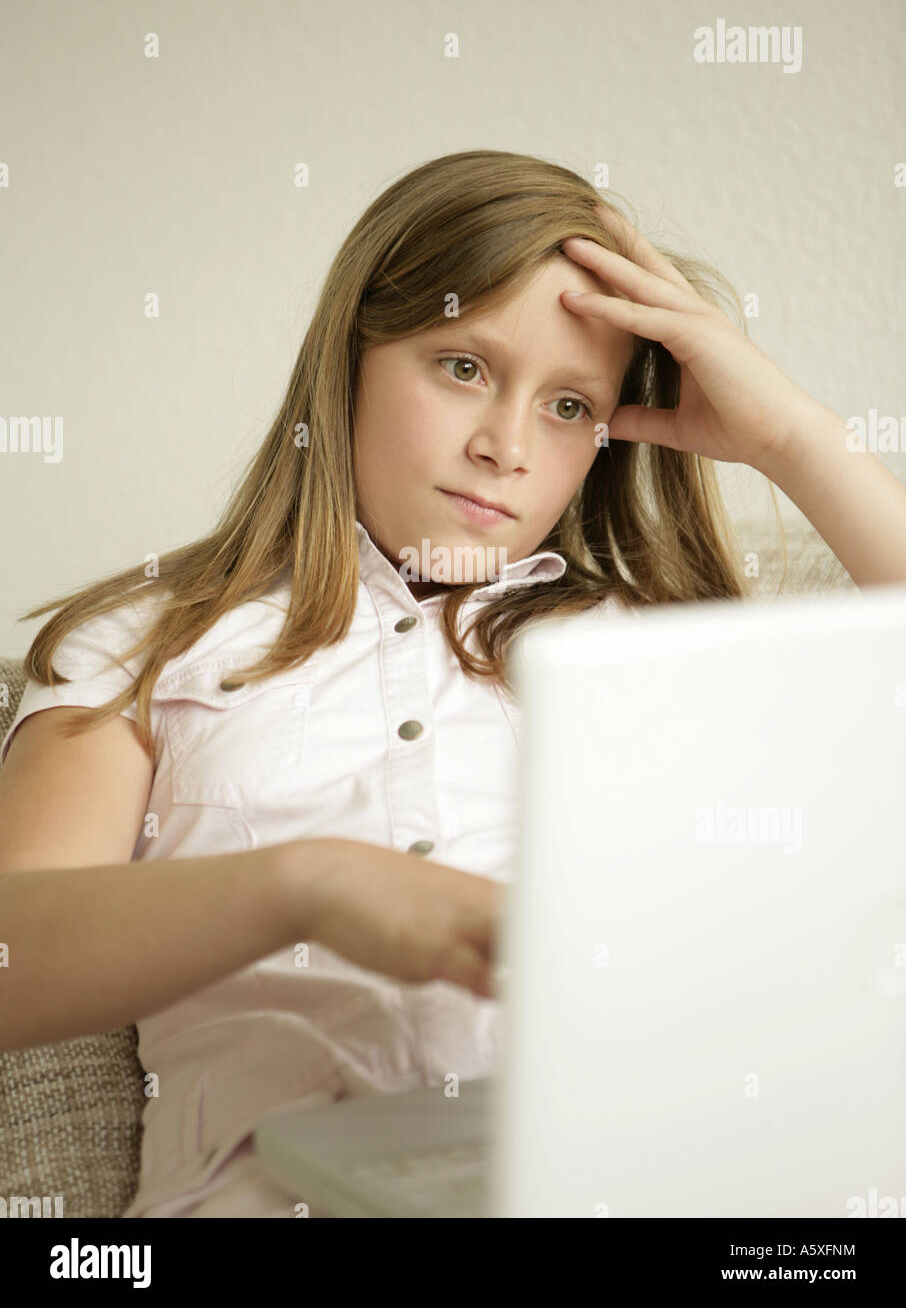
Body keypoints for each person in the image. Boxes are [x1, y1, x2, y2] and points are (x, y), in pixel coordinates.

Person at [2, 149, 903, 1218]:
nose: (506, 446)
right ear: (352, 358)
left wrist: (795, 437)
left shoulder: (664, 647)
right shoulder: (144, 640)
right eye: (464, 366)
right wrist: (308, 886)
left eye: (571, 404)